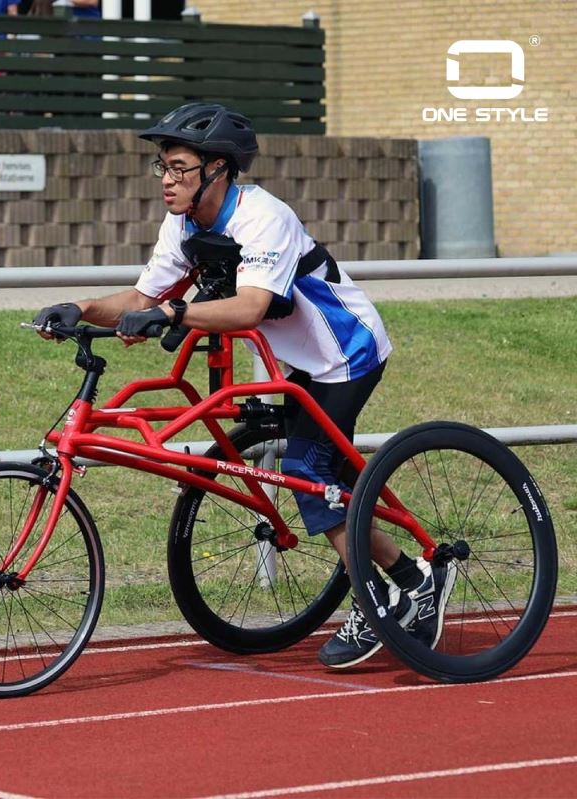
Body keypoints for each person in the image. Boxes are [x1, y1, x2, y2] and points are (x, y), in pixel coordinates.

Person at [32, 102, 457, 670]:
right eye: (161, 167)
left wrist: (176, 314)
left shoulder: (262, 216)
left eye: (179, 167)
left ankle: (396, 588)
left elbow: (250, 307)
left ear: (219, 170)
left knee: (310, 474)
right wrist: (78, 307)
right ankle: (403, 569)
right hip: (300, 358)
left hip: (346, 352)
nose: (166, 179)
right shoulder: (183, 224)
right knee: (325, 475)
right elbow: (140, 299)